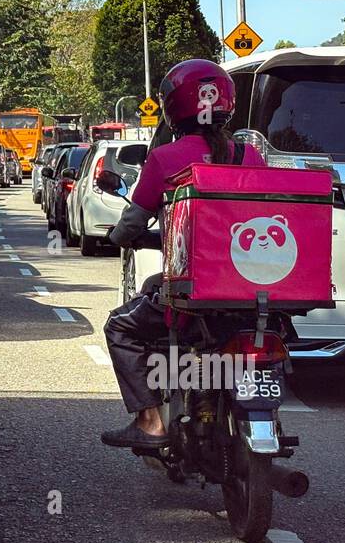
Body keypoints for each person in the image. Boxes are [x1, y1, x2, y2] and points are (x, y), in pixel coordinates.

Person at [100, 59, 265, 449]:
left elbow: (132, 224)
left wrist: (120, 238)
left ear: (173, 107)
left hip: (193, 295)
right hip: (253, 292)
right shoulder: (251, 157)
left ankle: (150, 422)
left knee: (120, 327)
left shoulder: (164, 159)